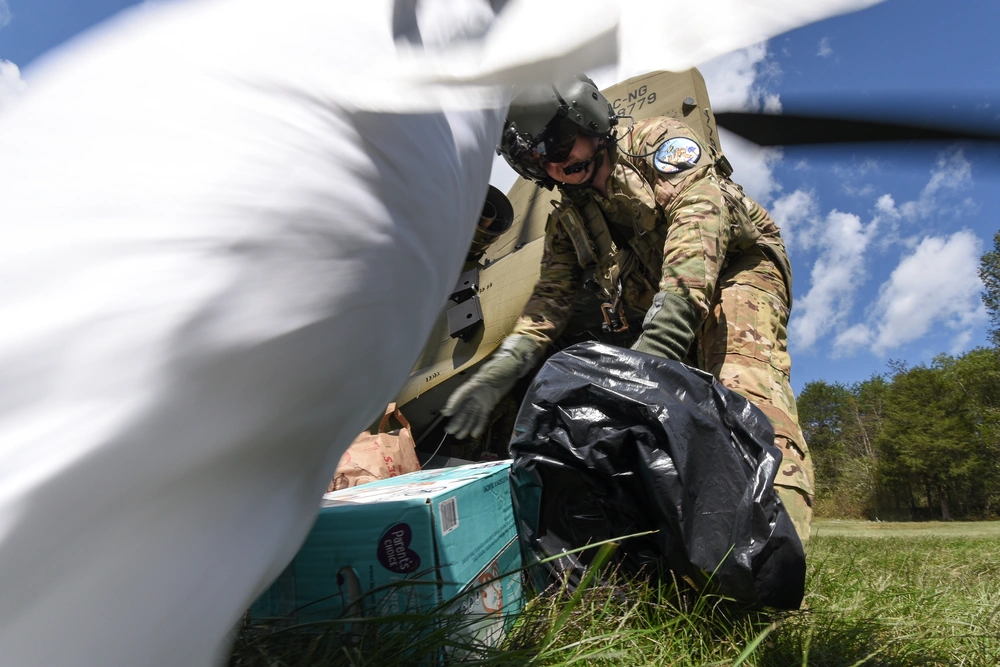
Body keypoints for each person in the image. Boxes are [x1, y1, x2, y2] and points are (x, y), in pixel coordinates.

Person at [442, 74, 815, 544]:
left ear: (588, 117)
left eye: (556, 146)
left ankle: (777, 552)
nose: (556, 168)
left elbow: (697, 225)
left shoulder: (657, 144)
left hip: (735, 270)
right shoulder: (568, 221)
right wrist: (500, 371)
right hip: (660, 305)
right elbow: (548, 303)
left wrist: (654, 350)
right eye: (537, 161)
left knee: (741, 382)